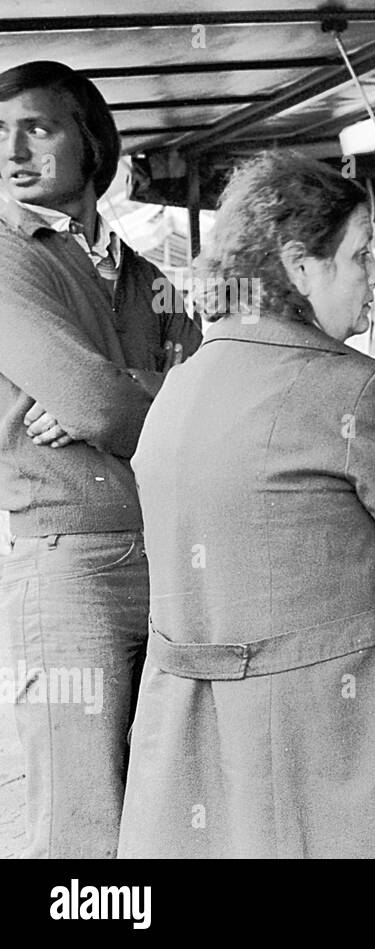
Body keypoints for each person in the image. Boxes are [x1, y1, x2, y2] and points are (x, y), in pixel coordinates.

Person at [116, 151, 375, 859]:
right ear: (301, 266)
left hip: (199, 753)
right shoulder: (365, 393)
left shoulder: (180, 388)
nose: (373, 273)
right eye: (361, 253)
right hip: (340, 749)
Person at [0, 60, 201, 859]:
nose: (13, 149)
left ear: (92, 141)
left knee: (163, 799)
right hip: (69, 564)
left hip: (168, 554)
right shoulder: (7, 253)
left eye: (38, 128)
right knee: (83, 820)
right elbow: (96, 405)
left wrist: (132, 387)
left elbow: (201, 396)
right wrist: (137, 394)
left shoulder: (147, 276)